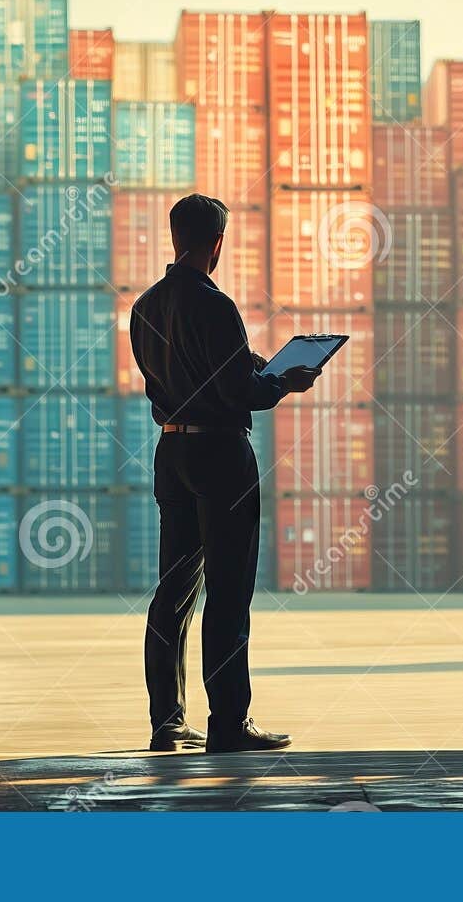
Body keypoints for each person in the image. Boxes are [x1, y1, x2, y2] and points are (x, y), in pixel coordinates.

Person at [128, 193, 322, 753]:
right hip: (221, 458)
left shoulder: (145, 306)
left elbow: (181, 376)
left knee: (173, 591)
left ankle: (166, 722)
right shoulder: (216, 305)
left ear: (175, 237)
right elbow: (241, 391)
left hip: (172, 454)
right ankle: (229, 724)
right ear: (217, 243)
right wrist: (285, 380)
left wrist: (249, 365)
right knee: (229, 591)